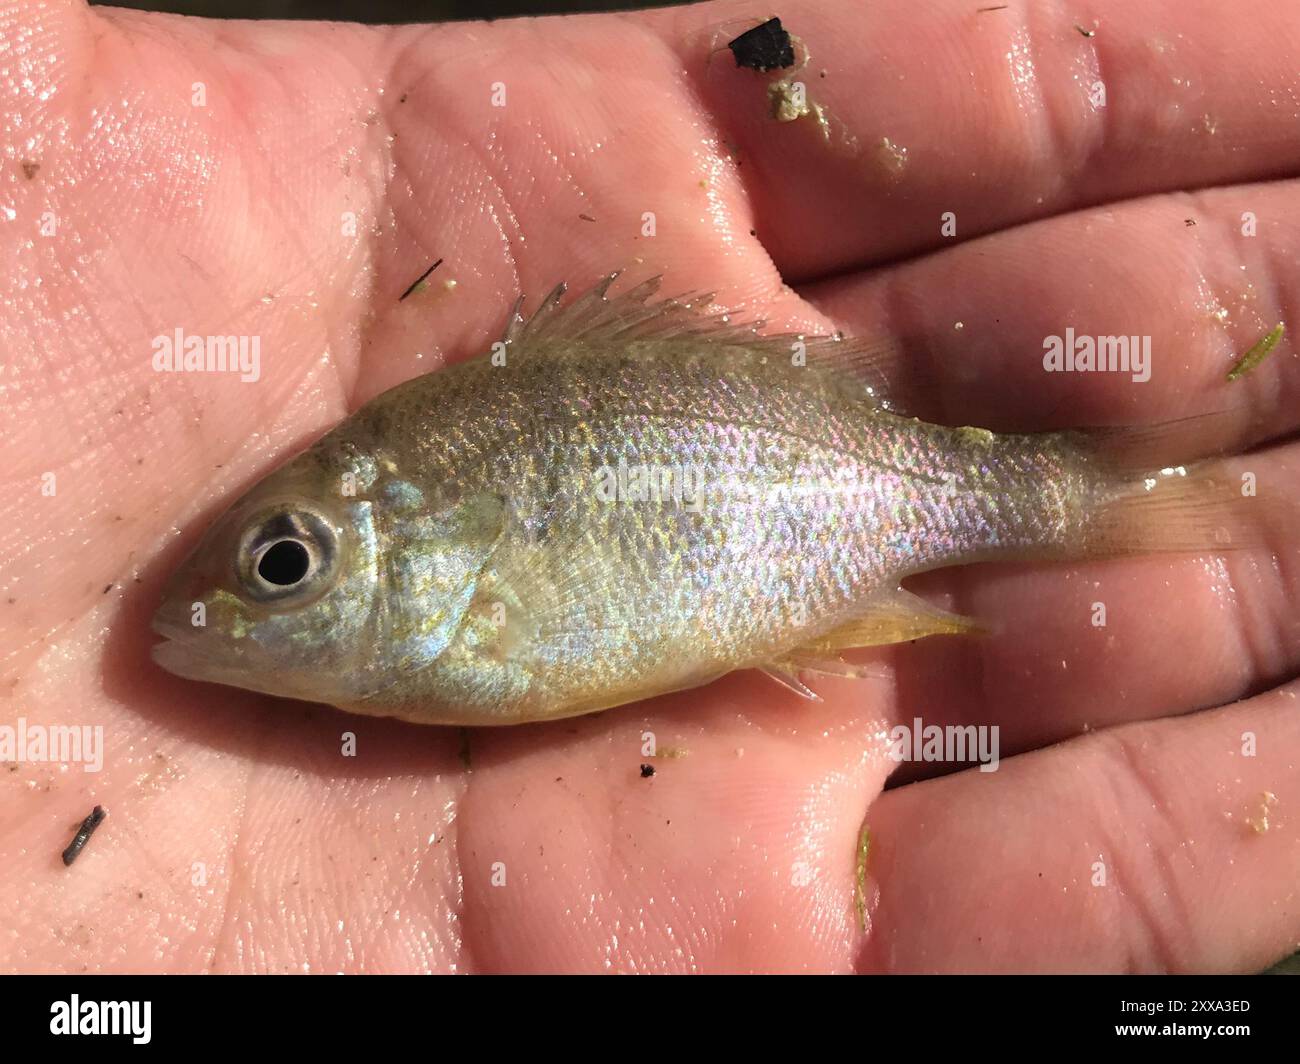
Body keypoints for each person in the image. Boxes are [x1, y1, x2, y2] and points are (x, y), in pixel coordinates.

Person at [1, 0, 1296, 973]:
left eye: (289, 562)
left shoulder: (438, 626)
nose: (245, 597)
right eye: (279, 563)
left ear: (415, 536)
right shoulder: (400, 642)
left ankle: (1127, 496)